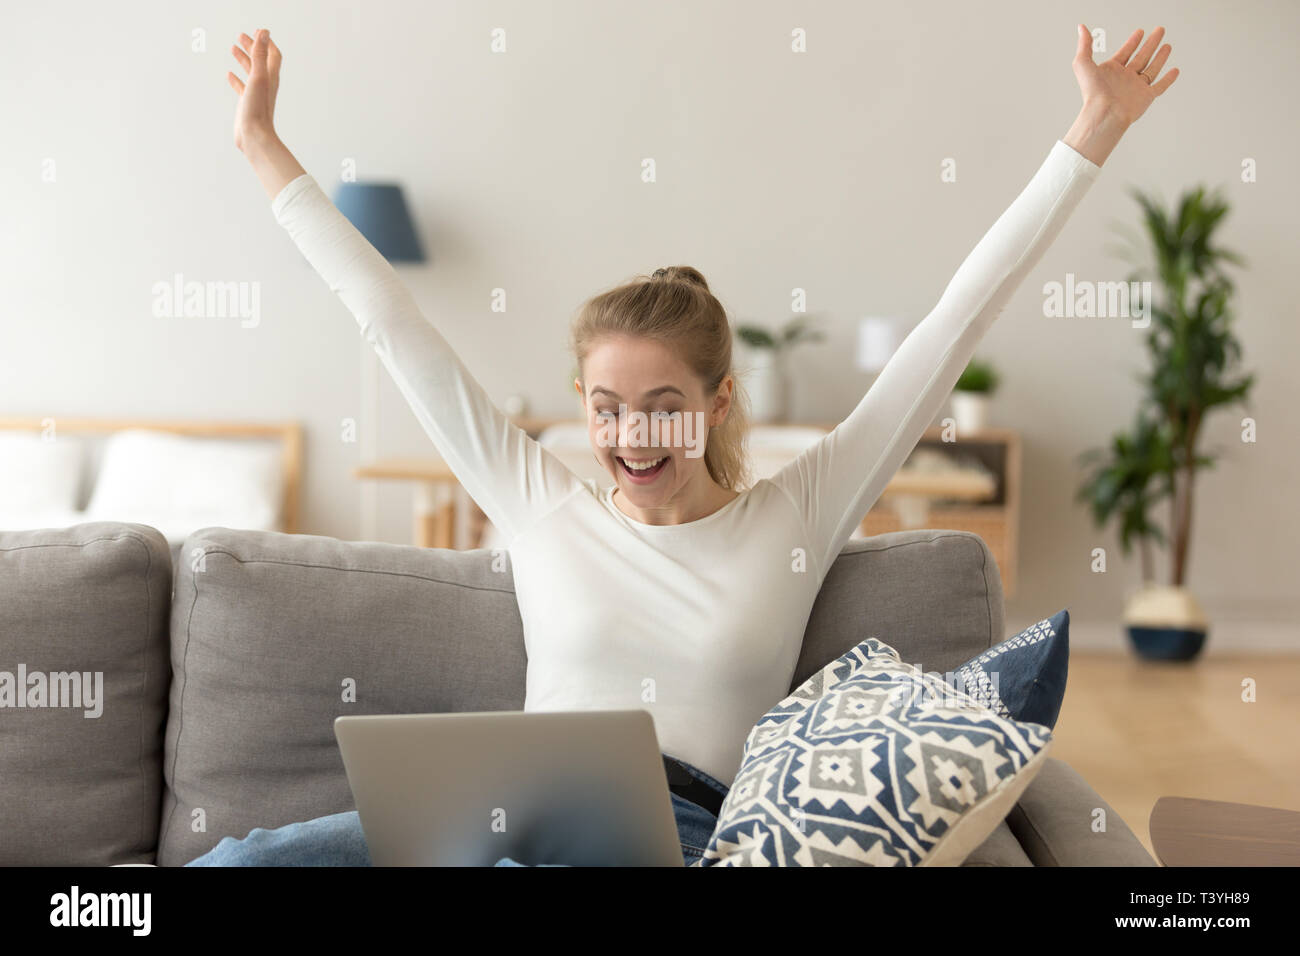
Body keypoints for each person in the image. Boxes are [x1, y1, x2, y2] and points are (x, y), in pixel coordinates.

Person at [187, 24, 1177, 866]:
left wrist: (1093, 129)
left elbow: (955, 322)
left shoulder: (794, 513)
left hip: (677, 828)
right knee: (242, 860)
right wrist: (261, 145)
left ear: (717, 401)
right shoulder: (541, 499)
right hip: (498, 815)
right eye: (607, 407)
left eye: (662, 402)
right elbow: (388, 321)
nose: (632, 435)